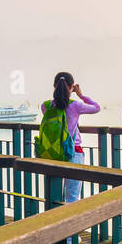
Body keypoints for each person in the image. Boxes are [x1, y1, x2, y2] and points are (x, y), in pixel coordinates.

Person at [40, 71, 101, 203]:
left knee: (53, 196)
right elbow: (96, 108)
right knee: (72, 198)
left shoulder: (45, 105)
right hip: (73, 152)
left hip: (52, 152)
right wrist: (81, 95)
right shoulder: (75, 105)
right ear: (72, 86)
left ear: (54, 86)